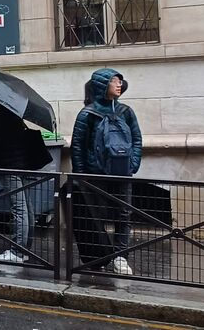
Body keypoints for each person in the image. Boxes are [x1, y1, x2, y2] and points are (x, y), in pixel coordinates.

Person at [71, 68, 143, 275]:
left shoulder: (126, 111)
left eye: (120, 81)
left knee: (124, 215)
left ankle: (121, 256)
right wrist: (81, 174)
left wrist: (133, 163)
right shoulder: (87, 114)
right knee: (96, 216)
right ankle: (100, 257)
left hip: (122, 172)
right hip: (95, 175)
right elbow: (78, 146)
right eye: (114, 81)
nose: (119, 85)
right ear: (103, 85)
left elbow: (137, 139)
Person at [0, 102, 37, 263]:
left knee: (19, 208)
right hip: (24, 165)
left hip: (9, 166)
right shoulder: (16, 114)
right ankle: (25, 249)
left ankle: (17, 251)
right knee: (27, 207)